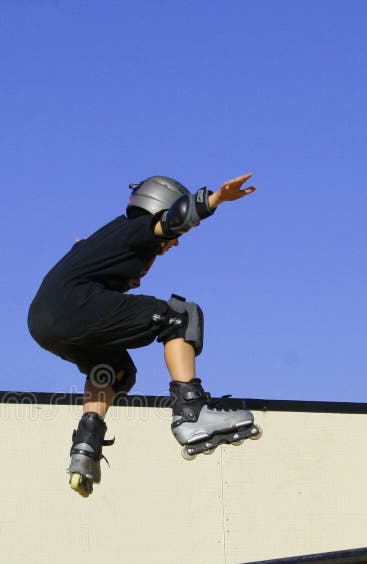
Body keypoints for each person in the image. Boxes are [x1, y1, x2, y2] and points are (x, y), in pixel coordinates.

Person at [27, 173, 259, 497]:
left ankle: (86, 443)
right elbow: (173, 221)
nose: (174, 245)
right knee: (180, 316)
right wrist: (215, 199)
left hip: (43, 323)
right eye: (172, 241)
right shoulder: (136, 231)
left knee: (115, 370)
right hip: (75, 307)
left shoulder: (108, 240)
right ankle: (191, 411)